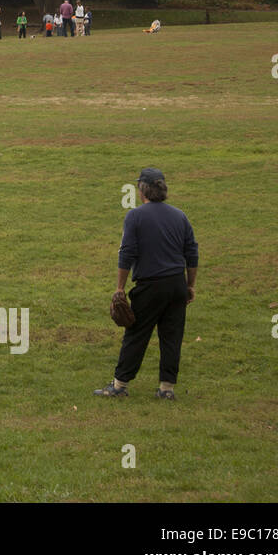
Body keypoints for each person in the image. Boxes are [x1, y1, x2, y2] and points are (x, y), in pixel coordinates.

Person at [94, 168, 199, 400]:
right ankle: (166, 389)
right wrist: (190, 285)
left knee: (136, 333)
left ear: (143, 190)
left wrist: (120, 288)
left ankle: (120, 385)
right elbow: (191, 253)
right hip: (176, 284)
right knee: (171, 336)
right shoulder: (179, 216)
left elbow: (127, 253)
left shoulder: (135, 216)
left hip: (151, 285)